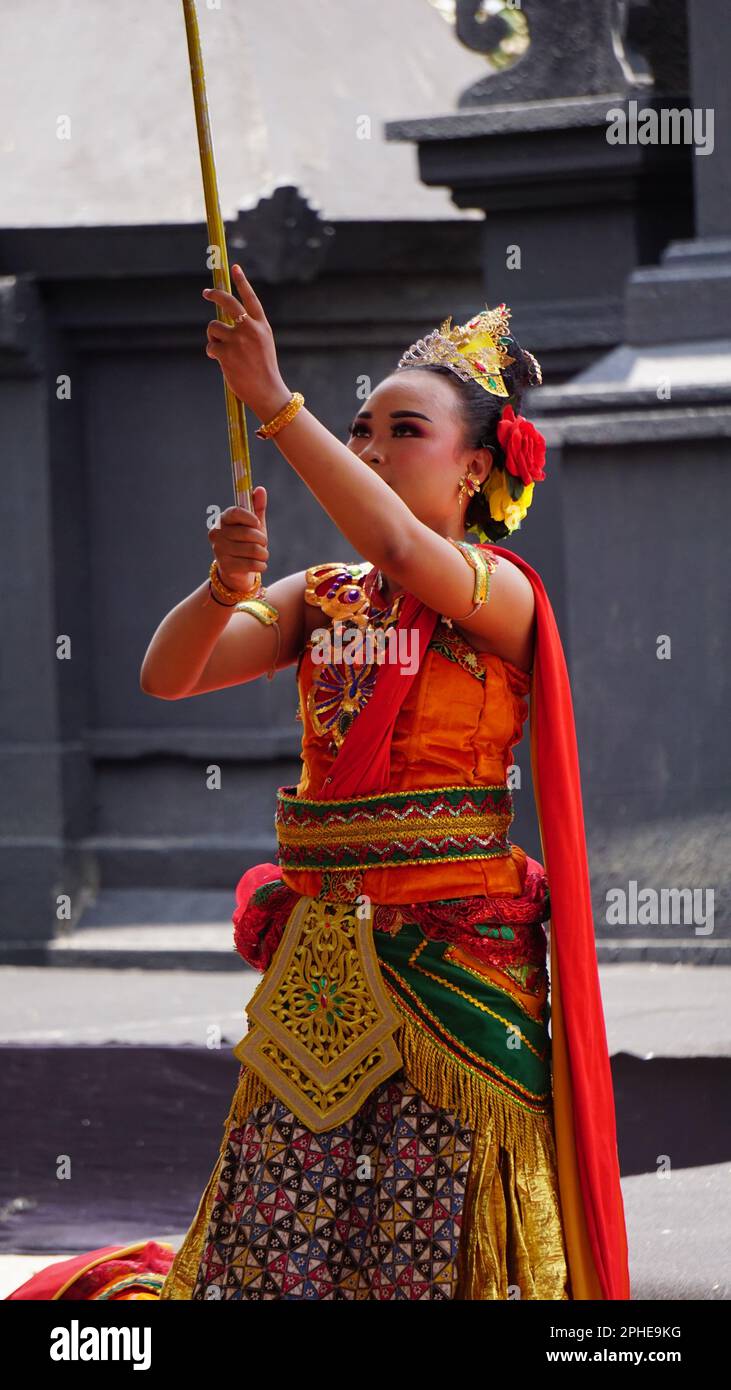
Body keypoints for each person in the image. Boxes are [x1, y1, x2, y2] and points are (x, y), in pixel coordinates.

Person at [7, 271, 629, 1303]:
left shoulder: (498, 592)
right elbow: (169, 676)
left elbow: (397, 543)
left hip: (457, 961)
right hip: (326, 959)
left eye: (404, 430)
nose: (370, 447)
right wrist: (223, 588)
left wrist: (272, 401)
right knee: (277, 1230)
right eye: (360, 429)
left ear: (476, 467)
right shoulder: (321, 598)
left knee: (429, 1236)